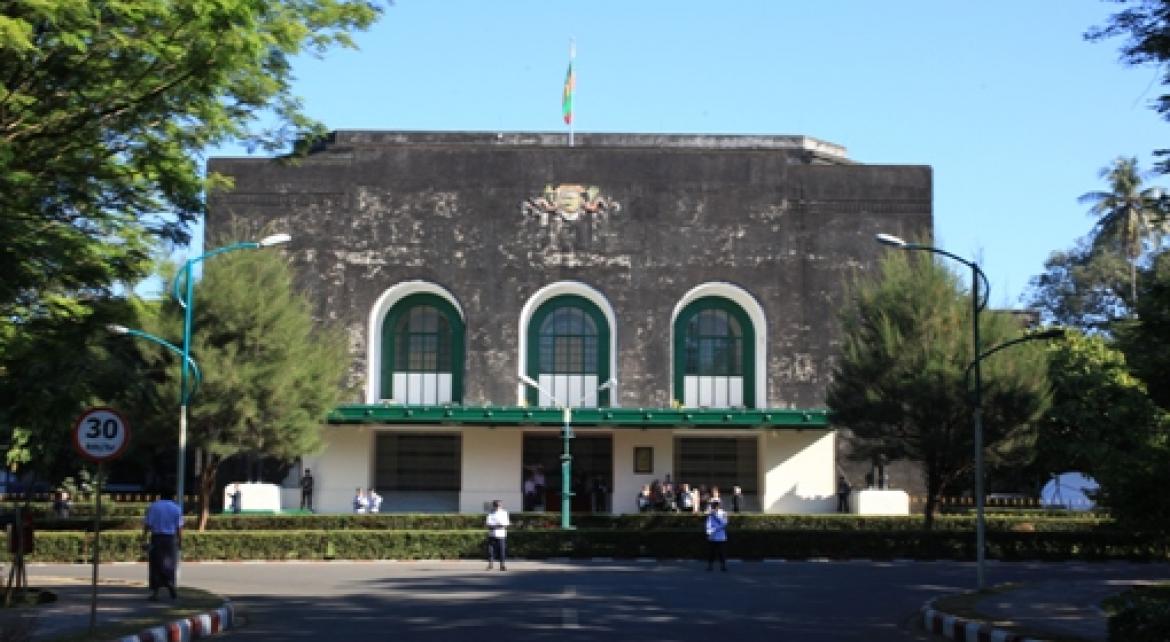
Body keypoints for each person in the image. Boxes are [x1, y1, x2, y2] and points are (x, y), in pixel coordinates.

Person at [143, 490, 184, 600]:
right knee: (170, 564)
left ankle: (155, 593)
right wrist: (180, 541)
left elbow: (147, 524)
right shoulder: (176, 508)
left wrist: (143, 538)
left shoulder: (154, 507)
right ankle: (170, 585)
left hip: (156, 538)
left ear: (160, 496)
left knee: (155, 565)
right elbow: (179, 528)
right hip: (170, 539)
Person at [485, 499, 510, 571]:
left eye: (499, 505)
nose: (497, 507)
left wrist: (496, 525)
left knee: (502, 551)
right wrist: (498, 525)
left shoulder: (504, 513)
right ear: (494, 506)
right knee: (490, 551)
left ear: (501, 505)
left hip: (501, 535)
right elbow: (488, 524)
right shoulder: (490, 513)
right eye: (496, 505)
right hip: (492, 534)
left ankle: (502, 565)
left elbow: (506, 524)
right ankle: (490, 565)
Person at [705, 497, 728, 572]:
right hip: (712, 536)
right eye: (713, 505)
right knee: (711, 553)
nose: (714, 507)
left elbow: (724, 523)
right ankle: (710, 566)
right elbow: (708, 523)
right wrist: (708, 530)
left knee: (722, 553)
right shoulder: (710, 514)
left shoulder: (723, 513)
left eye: (716, 505)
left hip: (721, 537)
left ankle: (723, 566)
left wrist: (716, 516)